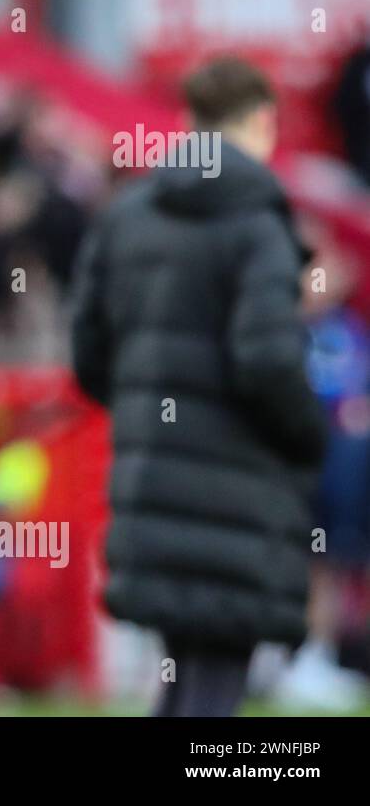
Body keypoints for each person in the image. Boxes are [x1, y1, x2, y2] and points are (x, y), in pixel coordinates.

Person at [70, 57, 327, 716]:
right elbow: (268, 359)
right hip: (238, 492)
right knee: (213, 684)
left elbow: (87, 353)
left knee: (184, 676)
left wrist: (150, 417)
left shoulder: (125, 217)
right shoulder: (260, 225)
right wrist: (308, 433)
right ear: (263, 122)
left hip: (152, 483)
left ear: (187, 123)